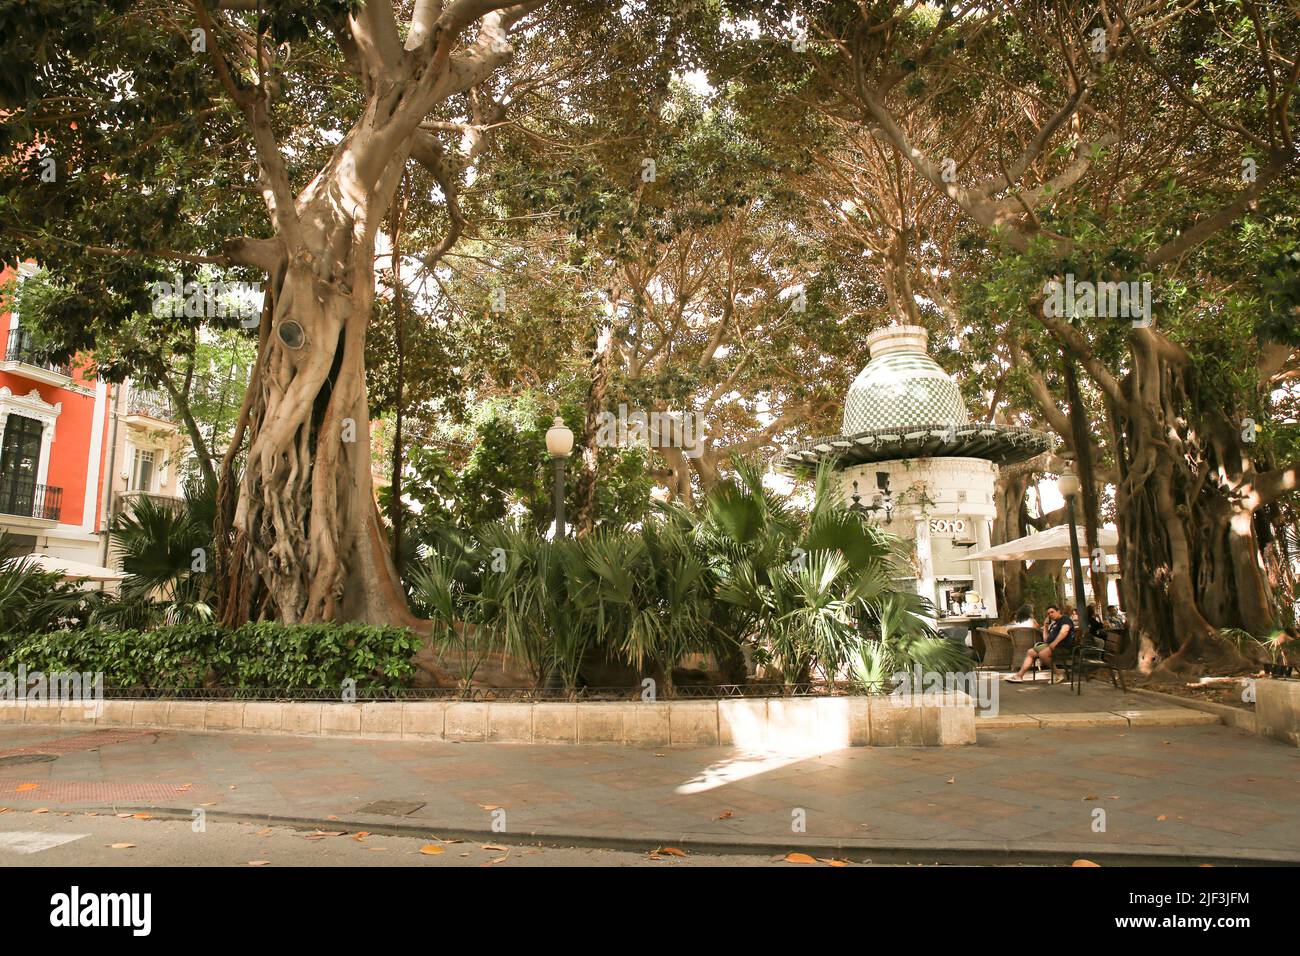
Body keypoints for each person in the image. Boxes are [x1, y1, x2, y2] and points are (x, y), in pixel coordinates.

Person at [1006, 604, 1074, 682]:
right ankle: (1019, 676)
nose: (1050, 615)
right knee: (1030, 652)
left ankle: (1058, 674)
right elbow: (1046, 640)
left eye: (1052, 612)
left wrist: (1055, 642)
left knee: (1042, 654)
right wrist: (1045, 626)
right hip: (1051, 646)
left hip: (1063, 646)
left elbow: (1064, 631)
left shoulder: (1064, 619)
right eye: (1048, 614)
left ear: (1058, 611)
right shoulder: (1054, 624)